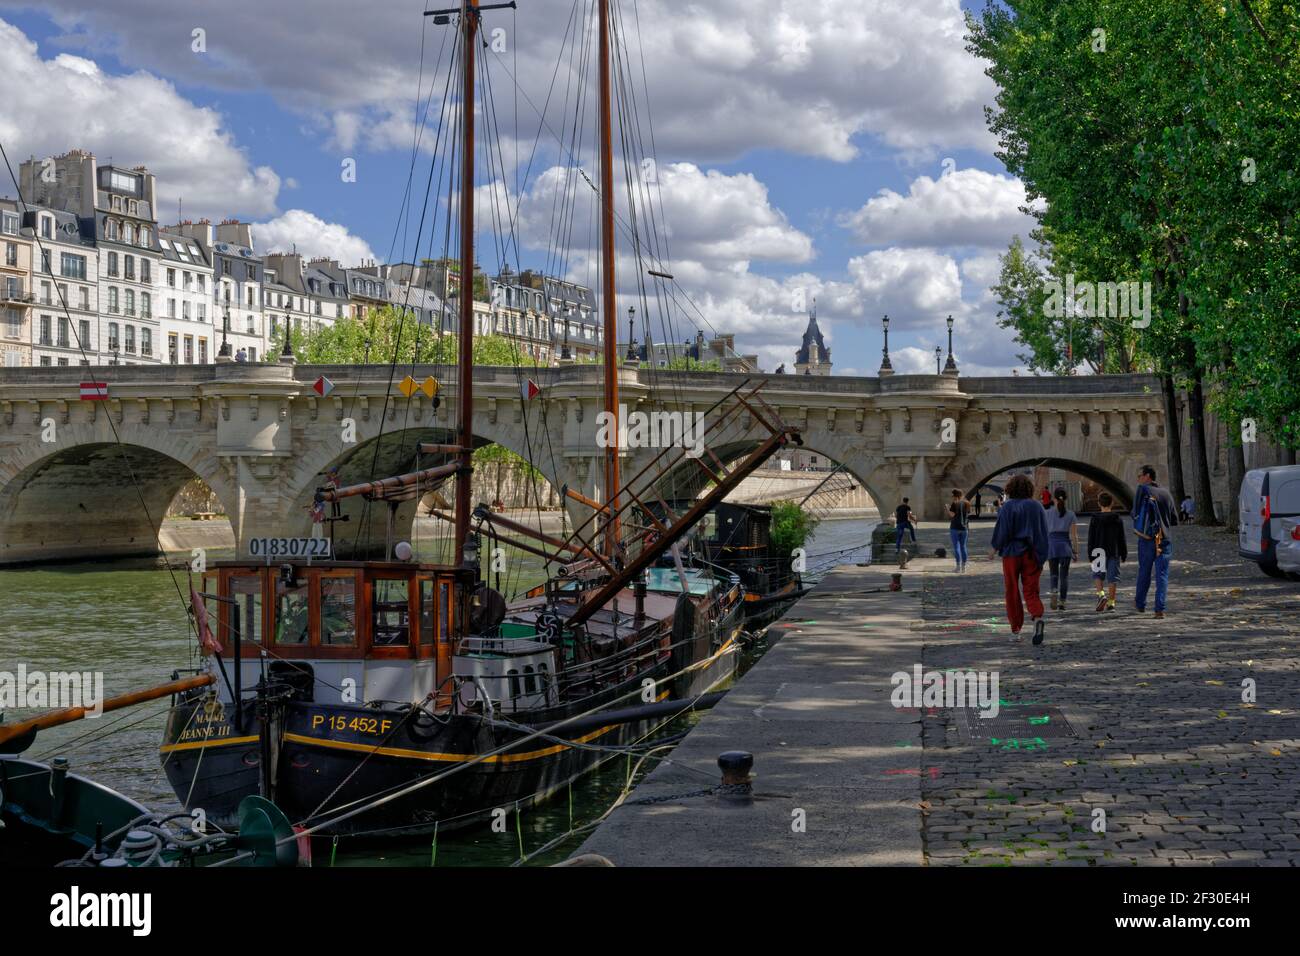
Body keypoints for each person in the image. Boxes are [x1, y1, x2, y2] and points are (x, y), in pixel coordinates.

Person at [989, 473, 1050, 645]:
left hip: (1011, 553)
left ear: (1011, 488)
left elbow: (1003, 530)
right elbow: (1043, 532)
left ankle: (1016, 629)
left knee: (1012, 590)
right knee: (1031, 589)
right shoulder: (1036, 507)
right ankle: (1037, 616)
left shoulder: (1008, 507)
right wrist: (1041, 555)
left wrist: (994, 547)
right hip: (1031, 553)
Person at [1132, 465, 1178, 619]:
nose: (1138, 479)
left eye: (1140, 475)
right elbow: (1174, 519)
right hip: (1164, 539)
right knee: (1162, 576)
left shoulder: (1142, 490)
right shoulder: (1166, 493)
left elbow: (1134, 514)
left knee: (1144, 571)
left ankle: (1140, 604)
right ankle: (1159, 609)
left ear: (1147, 476)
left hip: (1147, 540)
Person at [1087, 491, 1127, 611]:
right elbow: (1121, 537)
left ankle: (1101, 595)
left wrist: (1090, 553)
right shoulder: (1117, 518)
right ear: (1112, 503)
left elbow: (1091, 537)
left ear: (1099, 504)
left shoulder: (1094, 519)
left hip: (1098, 550)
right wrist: (1123, 553)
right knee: (1112, 577)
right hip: (1113, 550)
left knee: (1097, 575)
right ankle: (1111, 602)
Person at [1045, 488, 1079, 610]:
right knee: (1064, 576)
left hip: (1052, 545)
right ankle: (1062, 602)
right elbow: (1074, 535)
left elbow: (1044, 532)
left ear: (1053, 499)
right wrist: (1075, 551)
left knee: (1053, 573)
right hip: (1065, 547)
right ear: (1066, 499)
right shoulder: (1071, 514)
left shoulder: (1047, 513)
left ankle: (1054, 590)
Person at [948, 489, 970, 572]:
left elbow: (952, 515)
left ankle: (958, 567)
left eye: (953, 495)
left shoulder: (955, 503)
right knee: (963, 547)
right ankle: (964, 567)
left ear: (955, 495)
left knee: (956, 547)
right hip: (964, 528)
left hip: (955, 527)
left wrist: (947, 508)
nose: (952, 497)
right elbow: (968, 514)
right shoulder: (967, 503)